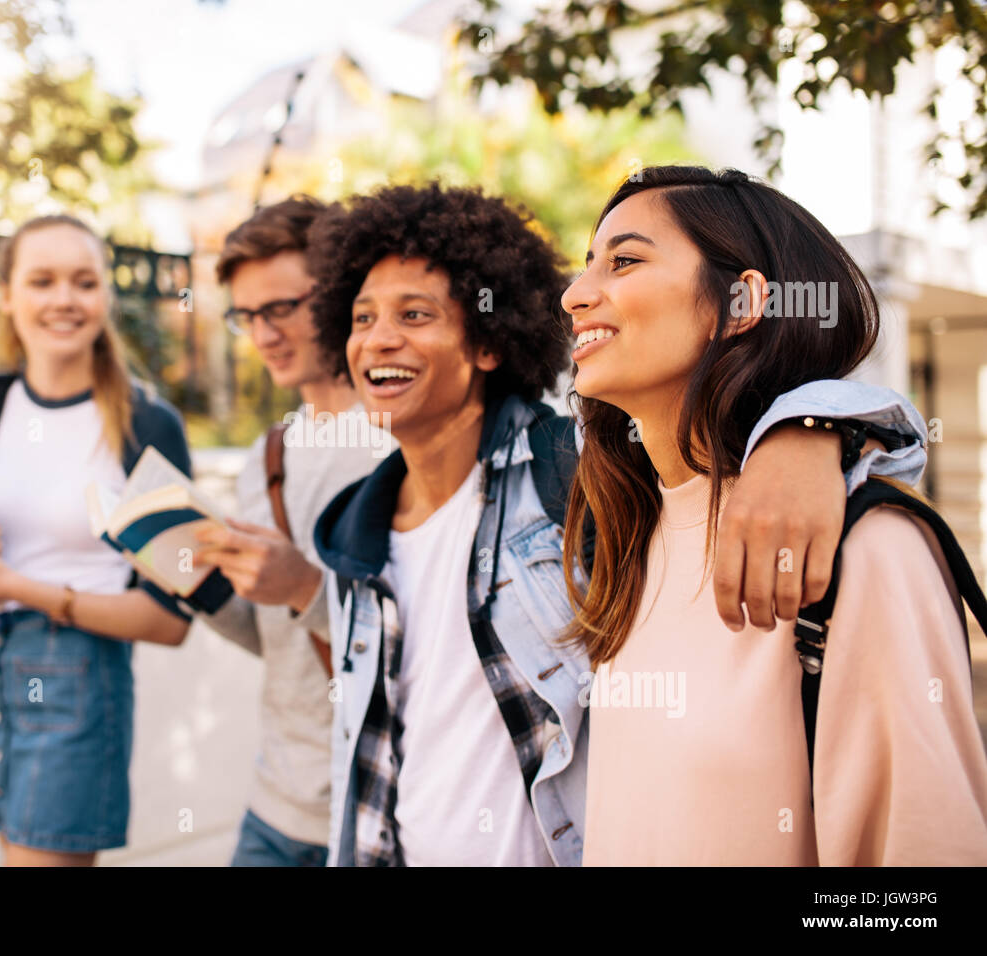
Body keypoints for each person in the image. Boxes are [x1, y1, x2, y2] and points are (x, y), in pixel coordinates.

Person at [305, 182, 927, 866]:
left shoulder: (573, 481)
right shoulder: (351, 539)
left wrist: (810, 427)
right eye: (361, 319)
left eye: (415, 314)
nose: (379, 339)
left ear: (489, 344)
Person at [560, 166, 987, 865]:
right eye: (585, 267)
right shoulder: (625, 536)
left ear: (741, 301)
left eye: (625, 261)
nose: (576, 296)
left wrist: (822, 426)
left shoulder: (865, 546)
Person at [0, 214, 209, 866]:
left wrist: (15, 587)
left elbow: (170, 619)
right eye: (42, 280)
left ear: (104, 295)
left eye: (83, 282)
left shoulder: (148, 426)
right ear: (7, 295)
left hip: (80, 678)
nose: (63, 300)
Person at [191, 197, 391, 866]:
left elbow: (439, 641)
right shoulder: (265, 456)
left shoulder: (405, 442)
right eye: (248, 315)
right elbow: (278, 642)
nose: (264, 334)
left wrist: (305, 585)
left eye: (283, 308)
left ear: (338, 293)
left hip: (376, 808)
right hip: (274, 805)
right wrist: (197, 586)